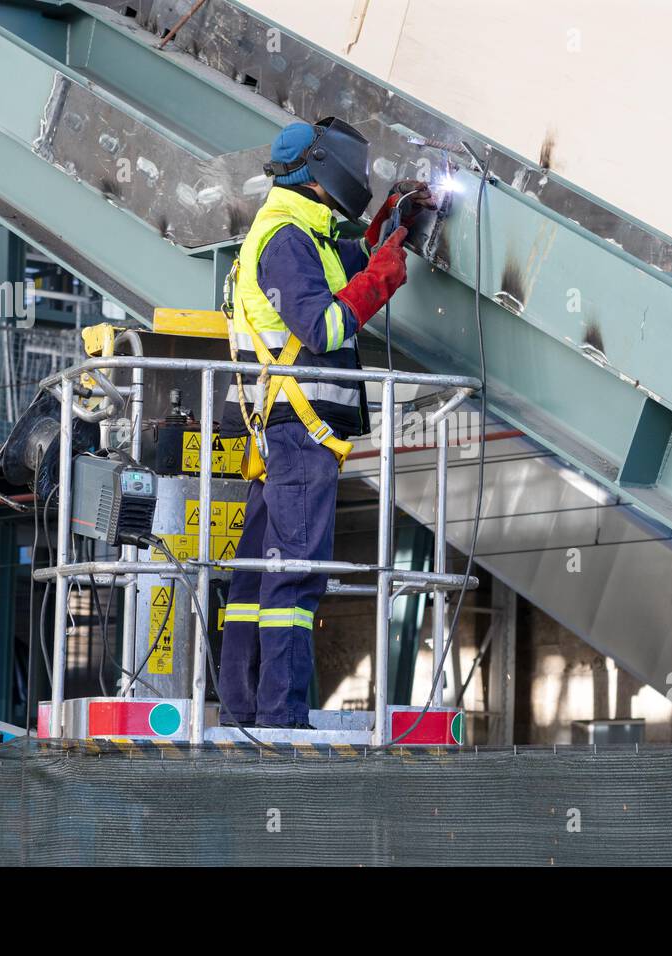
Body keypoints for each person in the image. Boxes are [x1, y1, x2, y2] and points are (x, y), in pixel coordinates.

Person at [217, 117, 435, 729]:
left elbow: (348, 264)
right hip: (300, 434)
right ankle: (281, 718)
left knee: (259, 571)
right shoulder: (287, 240)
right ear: (324, 171)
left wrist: (387, 229)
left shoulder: (296, 236)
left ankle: (245, 711)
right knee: (296, 574)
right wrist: (385, 277)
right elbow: (324, 327)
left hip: (286, 432)